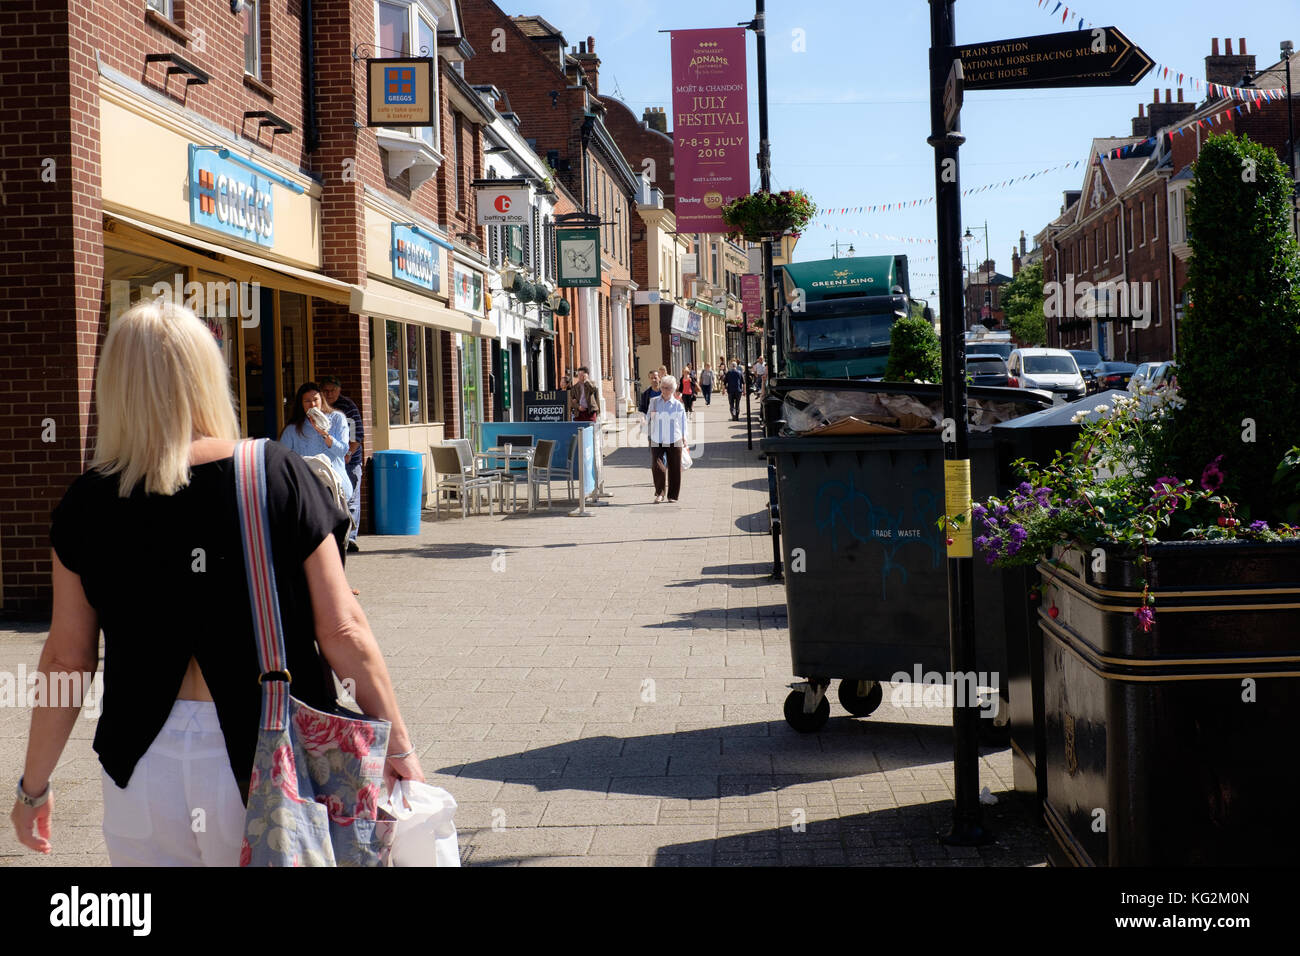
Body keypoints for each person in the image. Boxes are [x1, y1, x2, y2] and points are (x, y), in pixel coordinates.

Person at [11, 301, 422, 866]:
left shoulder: (88, 502)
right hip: (268, 756)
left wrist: (33, 786)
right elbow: (344, 629)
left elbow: (65, 658)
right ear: (209, 376)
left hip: (140, 765)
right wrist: (398, 746)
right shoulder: (272, 473)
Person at [280, 383, 353, 504]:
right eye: (307, 401)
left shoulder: (337, 419)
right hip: (309, 491)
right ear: (301, 404)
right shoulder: (293, 429)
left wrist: (324, 433)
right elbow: (282, 460)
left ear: (322, 399)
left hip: (336, 489)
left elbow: (343, 451)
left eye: (315, 399)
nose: (312, 404)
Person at [320, 375, 363, 554]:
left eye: (333, 390)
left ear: (339, 390)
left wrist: (349, 453)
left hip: (350, 460)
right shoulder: (318, 409)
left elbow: (357, 436)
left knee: (351, 497)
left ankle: (351, 537)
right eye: (326, 391)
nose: (329, 394)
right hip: (328, 461)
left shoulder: (348, 408)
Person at [647, 374, 688, 503]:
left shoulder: (677, 405)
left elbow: (683, 422)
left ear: (673, 389)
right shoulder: (654, 402)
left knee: (675, 467)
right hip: (657, 438)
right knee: (657, 466)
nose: (665, 390)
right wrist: (646, 420)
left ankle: (673, 495)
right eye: (663, 387)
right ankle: (659, 493)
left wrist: (684, 436)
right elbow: (649, 416)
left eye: (668, 388)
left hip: (674, 438)